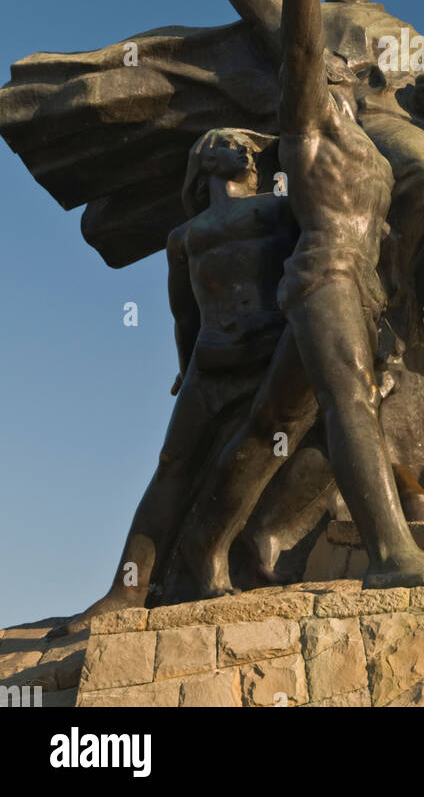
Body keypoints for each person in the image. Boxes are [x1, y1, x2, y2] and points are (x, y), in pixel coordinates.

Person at [181, 0, 424, 592]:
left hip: (364, 273)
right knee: (349, 403)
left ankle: (202, 548)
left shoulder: (376, 117)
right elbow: (281, 24)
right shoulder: (308, 114)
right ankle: (392, 554)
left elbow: (422, 111)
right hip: (324, 275)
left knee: (269, 426)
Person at [50, 126, 302, 634]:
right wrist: (185, 371)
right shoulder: (182, 238)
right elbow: (184, 317)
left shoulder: (278, 208)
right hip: (208, 366)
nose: (248, 152)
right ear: (205, 161)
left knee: (275, 449)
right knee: (171, 468)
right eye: (234, 144)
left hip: (270, 356)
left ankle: (235, 559)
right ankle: (125, 592)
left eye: (251, 148)